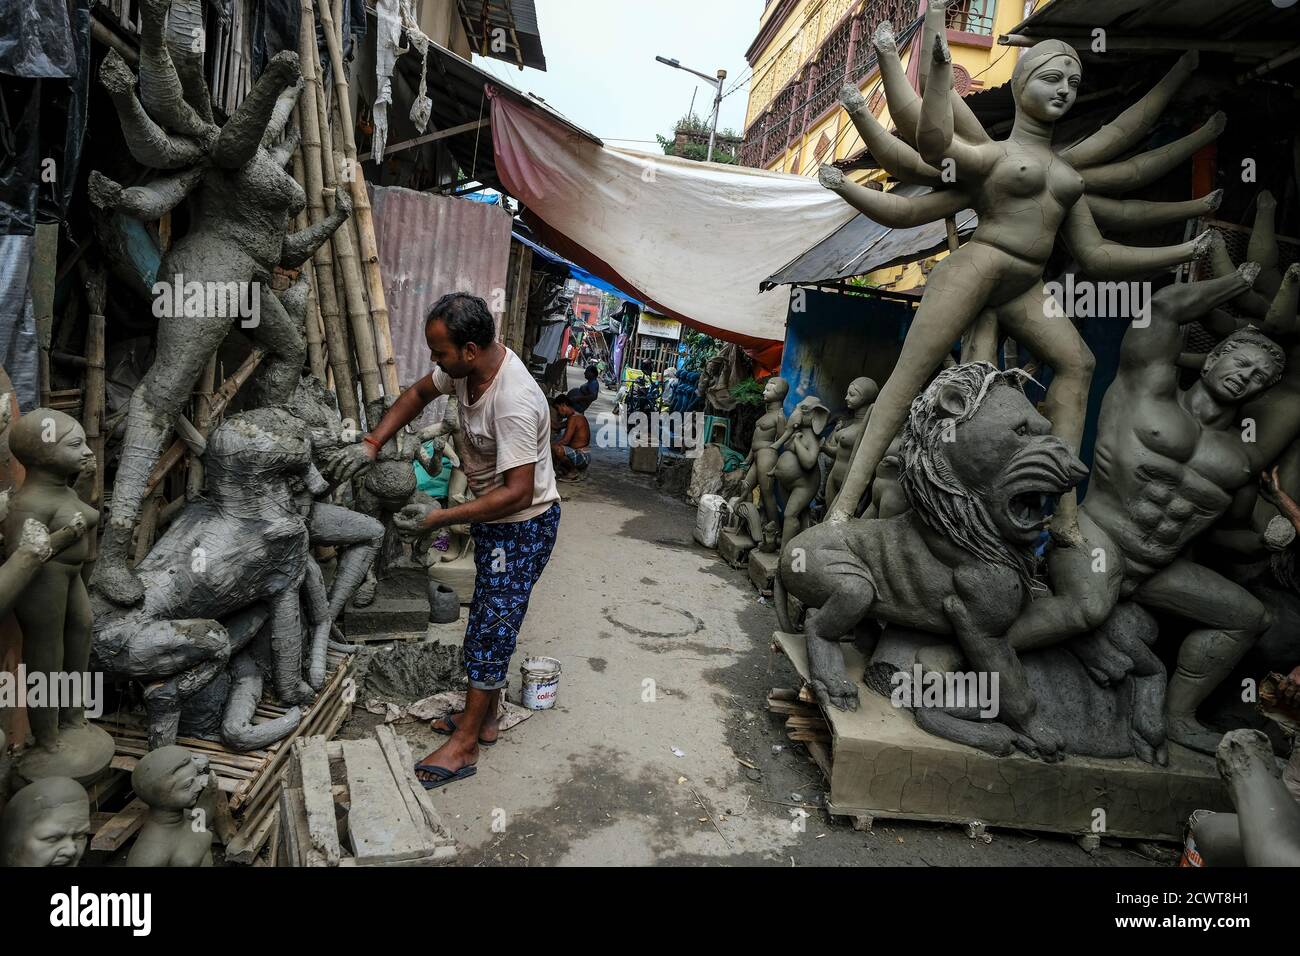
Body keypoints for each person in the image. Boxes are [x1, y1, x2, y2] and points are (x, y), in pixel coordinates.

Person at [326, 292, 560, 789]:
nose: (436, 364)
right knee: (488, 619)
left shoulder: (513, 401)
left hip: (522, 524)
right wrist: (372, 443)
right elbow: (415, 396)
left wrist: (439, 519)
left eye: (440, 354)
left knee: (492, 627)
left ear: (470, 349)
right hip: (497, 518)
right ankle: (487, 718)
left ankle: (466, 743)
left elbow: (517, 493)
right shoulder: (464, 370)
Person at [551, 394, 591, 482]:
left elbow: (565, 441)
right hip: (583, 455)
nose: (558, 412)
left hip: (582, 456)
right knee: (554, 448)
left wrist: (549, 447)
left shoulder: (574, 418)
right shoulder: (574, 416)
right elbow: (557, 426)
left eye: (558, 409)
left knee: (556, 449)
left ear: (563, 405)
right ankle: (569, 471)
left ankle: (573, 472)